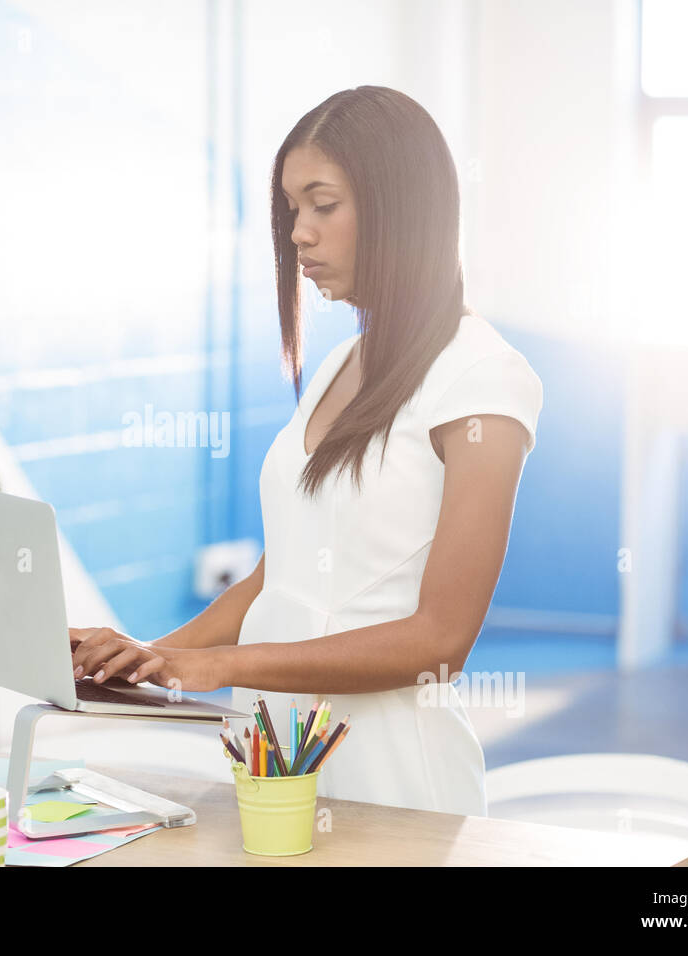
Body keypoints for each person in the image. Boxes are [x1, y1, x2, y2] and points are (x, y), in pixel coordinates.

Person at [68, 86, 543, 816]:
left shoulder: (482, 379)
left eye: (323, 204)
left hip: (396, 783)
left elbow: (441, 641)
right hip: (280, 758)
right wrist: (146, 659)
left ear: (401, 206)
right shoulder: (339, 365)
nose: (298, 234)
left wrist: (213, 667)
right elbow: (274, 581)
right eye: (292, 209)